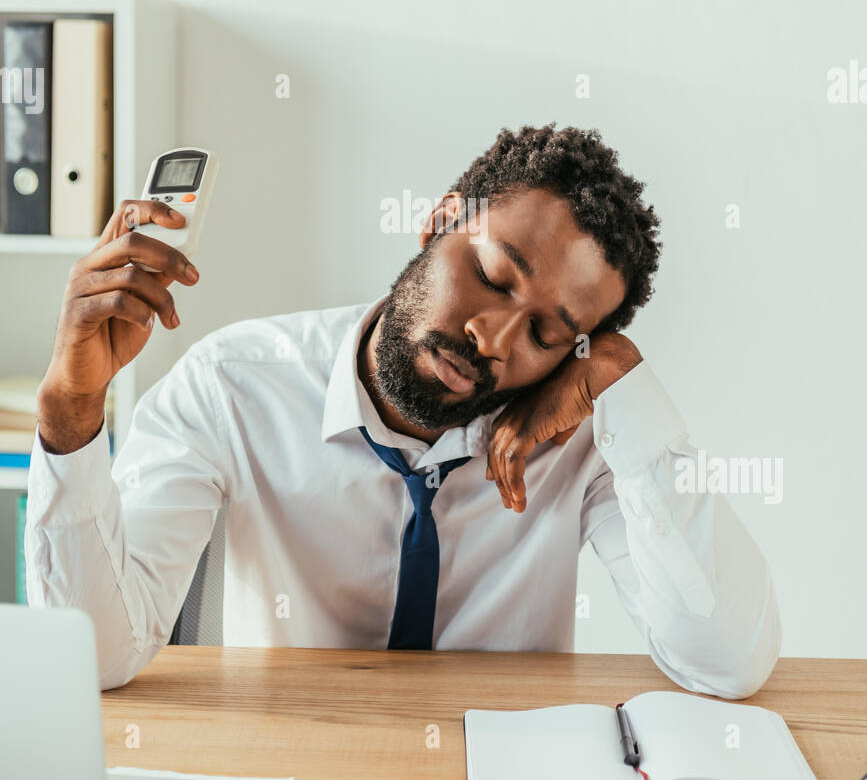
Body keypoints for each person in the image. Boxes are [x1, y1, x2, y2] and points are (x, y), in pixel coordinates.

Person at [27, 123, 780, 696]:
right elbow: (95, 656)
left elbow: (724, 664)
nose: (493, 337)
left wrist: (626, 382)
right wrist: (71, 403)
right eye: (491, 276)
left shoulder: (585, 435)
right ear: (440, 221)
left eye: (548, 334)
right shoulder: (235, 384)